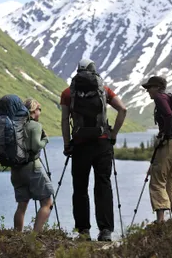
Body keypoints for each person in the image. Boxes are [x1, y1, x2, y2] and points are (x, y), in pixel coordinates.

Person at [60, 58, 127, 241]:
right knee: (103, 185)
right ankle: (105, 231)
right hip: (102, 143)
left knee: (80, 188)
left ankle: (83, 231)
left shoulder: (68, 93)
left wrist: (67, 144)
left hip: (80, 146)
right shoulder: (103, 90)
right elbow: (123, 109)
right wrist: (113, 134)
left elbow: (65, 121)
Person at [141, 76, 172, 223]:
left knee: (157, 181)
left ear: (156, 87)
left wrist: (163, 134)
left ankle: (160, 220)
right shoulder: (171, 98)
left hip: (170, 144)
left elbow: (168, 115)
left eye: (149, 87)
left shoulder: (160, 98)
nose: (147, 90)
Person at [10, 98, 54, 232]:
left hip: (16, 170)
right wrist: (45, 140)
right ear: (34, 110)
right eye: (39, 109)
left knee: (21, 206)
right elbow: (36, 146)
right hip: (32, 168)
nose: (40, 112)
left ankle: (17, 236)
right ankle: (35, 236)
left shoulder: (14, 126)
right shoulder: (35, 126)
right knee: (47, 202)